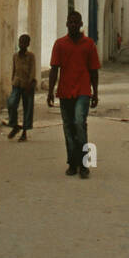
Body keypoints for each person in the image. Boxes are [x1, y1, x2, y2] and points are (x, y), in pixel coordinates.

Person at [48, 11, 100, 178]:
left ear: (81, 24)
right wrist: (50, 91)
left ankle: (85, 164)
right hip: (65, 91)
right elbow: (54, 69)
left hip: (83, 91)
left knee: (79, 123)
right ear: (66, 24)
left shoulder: (89, 44)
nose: (73, 25)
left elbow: (94, 70)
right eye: (70, 22)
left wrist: (96, 92)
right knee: (68, 127)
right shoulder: (60, 44)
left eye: (76, 22)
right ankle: (72, 162)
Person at [7, 34, 37, 141]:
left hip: (28, 85)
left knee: (27, 108)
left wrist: (30, 82)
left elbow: (33, 70)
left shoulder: (31, 56)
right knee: (11, 103)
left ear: (28, 44)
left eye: (24, 42)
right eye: (20, 42)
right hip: (17, 84)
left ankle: (24, 132)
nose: (22, 44)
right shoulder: (15, 56)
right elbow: (14, 70)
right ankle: (14, 125)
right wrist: (12, 81)